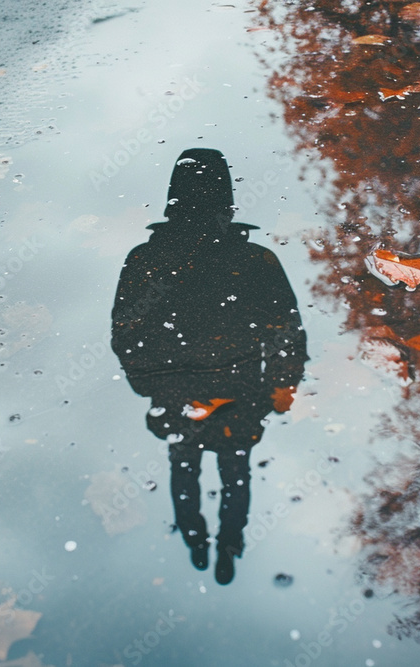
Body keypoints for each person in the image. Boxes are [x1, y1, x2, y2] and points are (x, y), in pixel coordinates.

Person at [110, 148, 307, 584]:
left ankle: (198, 539)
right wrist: (281, 385)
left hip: (178, 391)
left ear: (172, 199)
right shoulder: (255, 261)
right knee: (234, 471)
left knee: (185, 467)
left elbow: (125, 333)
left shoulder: (144, 260)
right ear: (228, 203)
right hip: (240, 389)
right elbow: (286, 332)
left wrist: (150, 384)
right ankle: (226, 544)